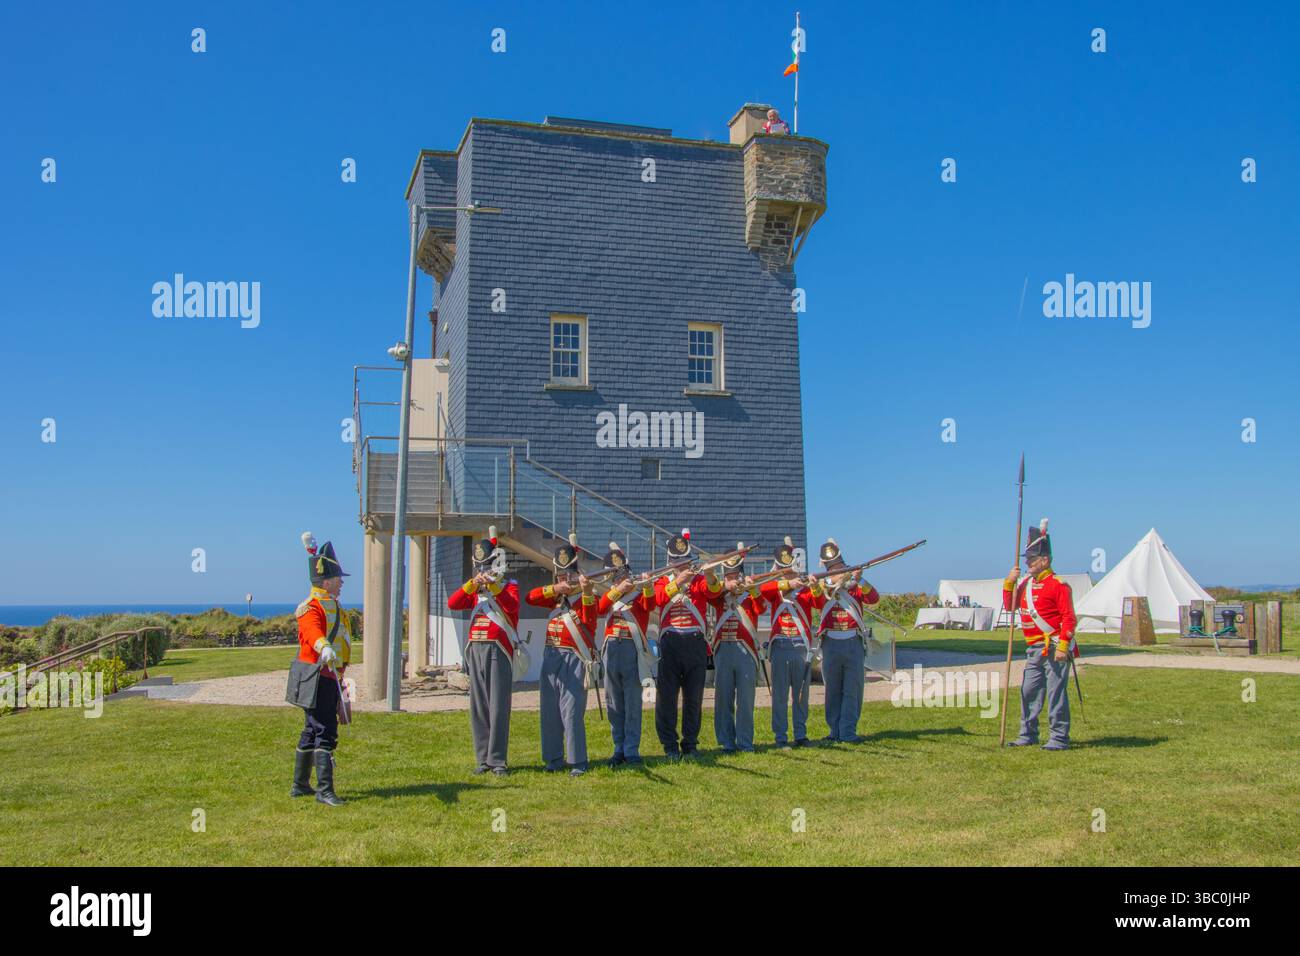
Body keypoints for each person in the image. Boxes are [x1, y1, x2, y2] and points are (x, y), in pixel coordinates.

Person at [447, 526, 520, 775]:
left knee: (498, 706)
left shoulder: (508, 586)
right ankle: (482, 758)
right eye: (479, 567)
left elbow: (511, 607)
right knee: (478, 707)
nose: (482, 571)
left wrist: (494, 587)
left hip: (498, 649)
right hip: (475, 648)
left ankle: (497, 759)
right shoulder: (474, 589)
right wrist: (472, 584)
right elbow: (453, 603)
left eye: (486, 566)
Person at [526, 534, 598, 777]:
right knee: (550, 711)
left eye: (569, 574)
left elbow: (589, 621)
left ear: (577, 574)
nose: (565, 579)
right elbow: (531, 597)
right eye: (561, 575)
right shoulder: (554, 599)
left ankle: (578, 761)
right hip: (551, 656)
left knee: (571, 712)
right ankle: (553, 758)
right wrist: (555, 589)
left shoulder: (585, 598)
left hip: (574, 657)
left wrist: (586, 592)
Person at [292, 533, 355, 807]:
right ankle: (324, 790)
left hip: (331, 675)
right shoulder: (311, 607)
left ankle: (300, 785)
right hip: (318, 675)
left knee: (311, 730)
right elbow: (311, 631)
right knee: (325, 729)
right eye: (339, 578)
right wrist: (323, 646)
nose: (341, 583)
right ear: (326, 580)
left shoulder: (333, 605)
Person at [1003, 519, 1078, 751]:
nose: (1028, 564)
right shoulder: (1025, 584)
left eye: (1031, 560)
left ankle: (1059, 737)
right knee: (1028, 691)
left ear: (1044, 560)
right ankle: (1028, 733)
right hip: (1033, 648)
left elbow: (1069, 618)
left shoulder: (1058, 585)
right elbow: (1010, 606)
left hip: (1055, 647)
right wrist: (1009, 583)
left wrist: (1064, 646)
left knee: (1056, 693)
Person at [653, 529, 723, 759]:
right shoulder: (663, 581)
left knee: (693, 697)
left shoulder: (699, 580)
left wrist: (711, 575)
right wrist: (679, 581)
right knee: (667, 698)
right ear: (670, 561)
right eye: (677, 562)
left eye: (684, 563)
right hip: (670, 641)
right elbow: (659, 599)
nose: (681, 567)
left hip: (694, 642)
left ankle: (690, 743)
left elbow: (713, 592)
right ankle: (670, 745)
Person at [812, 538, 880, 744]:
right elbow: (816, 602)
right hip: (831, 642)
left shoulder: (854, 585)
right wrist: (826, 583)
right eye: (832, 568)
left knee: (853, 689)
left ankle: (848, 731)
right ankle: (834, 731)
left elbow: (874, 599)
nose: (837, 571)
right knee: (832, 689)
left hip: (853, 641)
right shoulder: (823, 587)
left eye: (840, 567)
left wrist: (860, 580)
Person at [596, 543, 656, 767]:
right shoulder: (612, 595)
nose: (618, 579)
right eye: (615, 576)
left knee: (632, 702)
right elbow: (600, 609)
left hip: (632, 648)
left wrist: (648, 585)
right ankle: (618, 747)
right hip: (611, 648)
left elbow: (651, 604)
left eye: (621, 575)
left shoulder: (639, 593)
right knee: (614, 702)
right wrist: (618, 590)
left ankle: (631, 749)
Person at [759, 536, 819, 749]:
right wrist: (787, 582)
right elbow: (763, 590)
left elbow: (819, 602)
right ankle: (781, 737)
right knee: (780, 696)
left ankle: (800, 734)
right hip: (781, 645)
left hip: (801, 645)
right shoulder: (776, 586)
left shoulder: (804, 586)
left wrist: (814, 585)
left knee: (801, 695)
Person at [710, 544, 765, 753]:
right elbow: (711, 593)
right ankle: (726, 741)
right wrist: (726, 588)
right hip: (723, 647)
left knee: (745, 700)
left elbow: (761, 608)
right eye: (729, 576)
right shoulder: (720, 595)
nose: (733, 579)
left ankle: (745, 742)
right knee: (723, 698)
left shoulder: (750, 594)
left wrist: (752, 589)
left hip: (746, 649)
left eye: (735, 575)